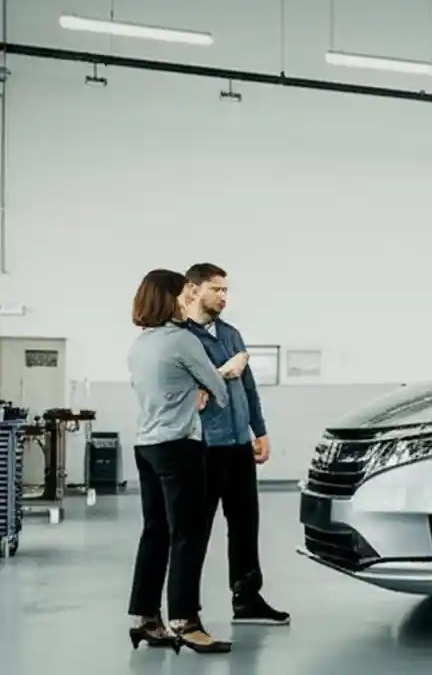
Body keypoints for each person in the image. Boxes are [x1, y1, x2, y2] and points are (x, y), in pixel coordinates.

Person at [126, 269, 234, 654]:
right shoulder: (182, 340)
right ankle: (186, 621)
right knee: (188, 535)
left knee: (155, 531)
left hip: (147, 446)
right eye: (185, 295)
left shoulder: (140, 344)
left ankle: (145, 618)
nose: (189, 301)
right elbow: (219, 390)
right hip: (179, 446)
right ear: (169, 299)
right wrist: (220, 377)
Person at [183, 262, 289, 626]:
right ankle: (186, 610)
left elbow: (248, 388)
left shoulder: (231, 333)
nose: (224, 296)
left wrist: (259, 430)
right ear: (194, 289)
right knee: (196, 528)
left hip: (238, 443)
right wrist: (224, 369)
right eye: (217, 289)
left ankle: (247, 598)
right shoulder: (182, 337)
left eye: (226, 290)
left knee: (245, 523)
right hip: (204, 445)